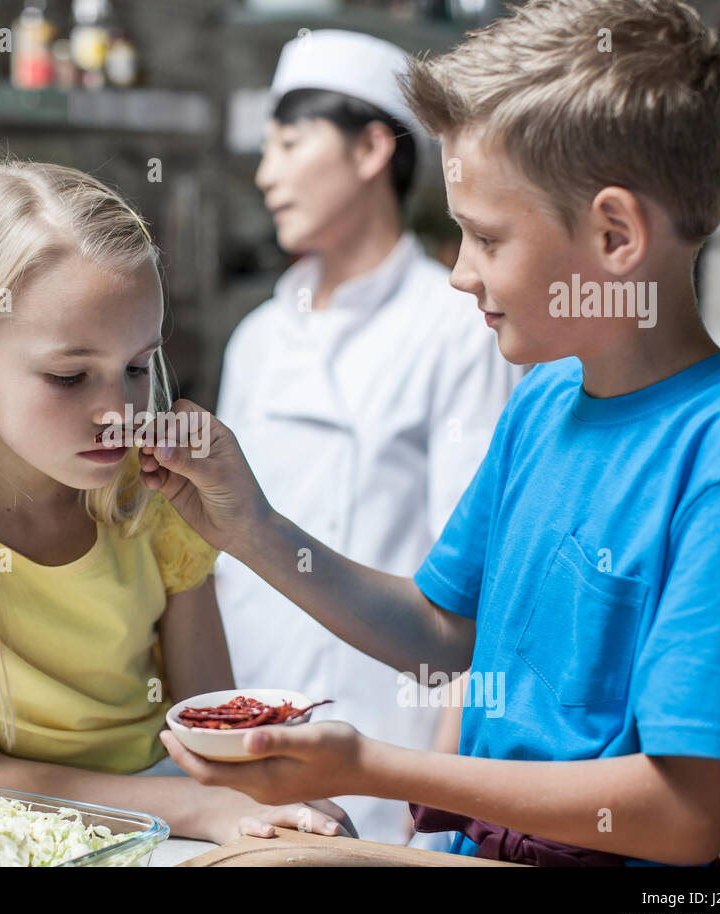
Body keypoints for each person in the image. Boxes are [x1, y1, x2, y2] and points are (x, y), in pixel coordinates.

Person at [138, 0, 720, 866]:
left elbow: (683, 816)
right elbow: (442, 628)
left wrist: (377, 767)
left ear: (614, 235)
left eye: (486, 237)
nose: (460, 273)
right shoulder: (546, 400)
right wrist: (251, 529)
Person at [0, 161, 355, 845]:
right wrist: (202, 810)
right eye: (69, 375)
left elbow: (207, 725)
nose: (118, 412)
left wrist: (277, 798)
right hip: (11, 841)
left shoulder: (154, 497)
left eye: (139, 367)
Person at [215, 29, 522, 847]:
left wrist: (444, 814)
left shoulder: (458, 325)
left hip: (392, 756)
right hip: (250, 747)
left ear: (371, 149)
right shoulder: (257, 338)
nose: (265, 173)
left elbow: (474, 594)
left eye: (288, 143)